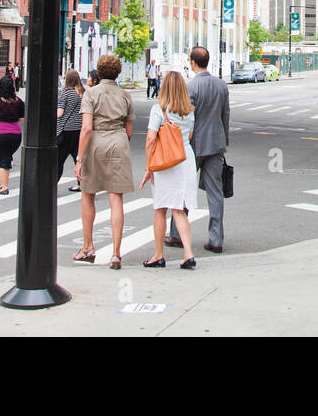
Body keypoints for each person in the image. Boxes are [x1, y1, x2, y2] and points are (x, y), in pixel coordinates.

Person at [166, 46, 229, 253]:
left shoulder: (190, 88)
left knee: (183, 189)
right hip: (216, 145)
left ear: (192, 62)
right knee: (215, 193)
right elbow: (225, 116)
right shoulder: (221, 86)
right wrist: (223, 141)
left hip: (193, 147)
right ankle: (216, 239)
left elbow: (185, 119)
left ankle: (176, 234)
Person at [73, 54, 134, 269]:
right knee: (115, 198)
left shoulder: (91, 93)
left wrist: (79, 158)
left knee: (87, 193)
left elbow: (86, 128)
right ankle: (116, 253)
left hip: (96, 142)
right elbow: (129, 129)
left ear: (98, 72)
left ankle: (88, 247)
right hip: (118, 140)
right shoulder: (125, 95)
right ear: (118, 73)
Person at [138, 70, 197, 269]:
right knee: (179, 209)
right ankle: (188, 253)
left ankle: (158, 255)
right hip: (185, 159)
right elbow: (188, 137)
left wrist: (149, 166)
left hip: (166, 163)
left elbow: (150, 138)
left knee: (160, 209)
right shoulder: (189, 111)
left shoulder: (159, 109)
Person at [57, 69, 84, 192]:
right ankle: (81, 183)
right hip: (79, 129)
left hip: (66, 130)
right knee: (78, 158)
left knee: (59, 160)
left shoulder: (66, 93)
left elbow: (60, 113)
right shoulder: (82, 93)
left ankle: (52, 184)